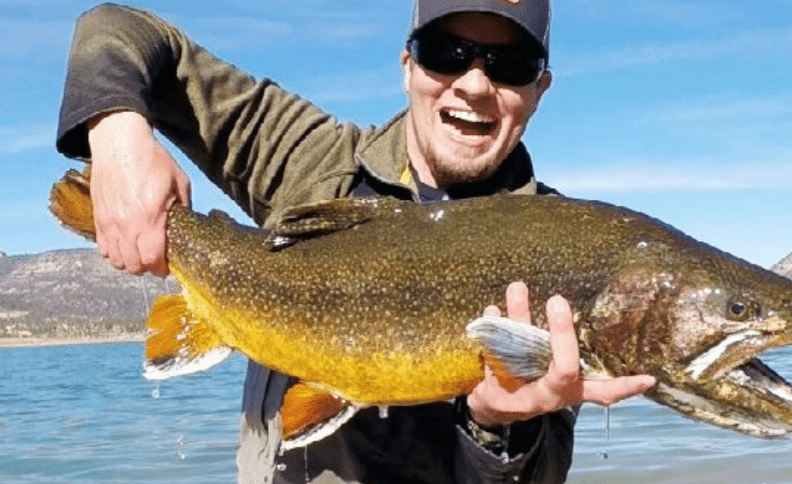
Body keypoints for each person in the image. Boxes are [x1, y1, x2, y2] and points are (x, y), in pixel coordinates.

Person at [56, 1, 656, 483]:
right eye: (446, 54)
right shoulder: (310, 159)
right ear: (407, 66)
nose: (474, 84)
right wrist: (118, 140)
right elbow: (115, 29)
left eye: (510, 65)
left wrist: (499, 428)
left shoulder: (566, 249)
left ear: (540, 89)